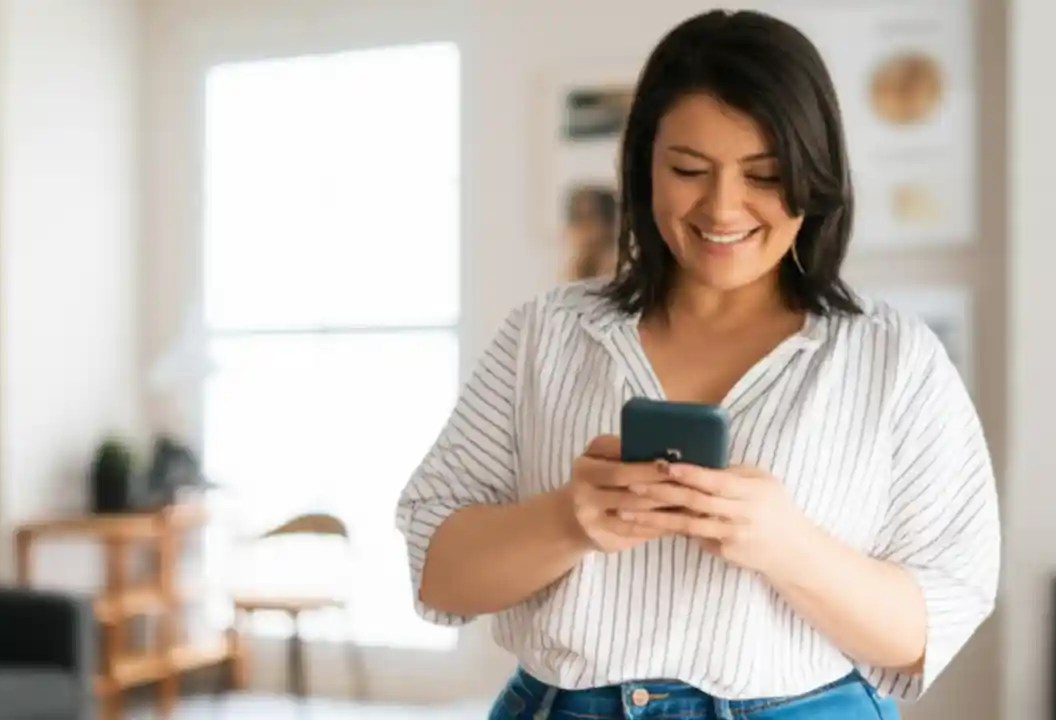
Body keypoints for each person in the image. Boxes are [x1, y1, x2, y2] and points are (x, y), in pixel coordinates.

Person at [395, 9, 999, 719]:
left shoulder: (894, 358)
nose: (722, 208)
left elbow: (927, 630)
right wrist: (567, 520)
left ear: (815, 176)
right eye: (688, 169)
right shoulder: (546, 334)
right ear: (643, 166)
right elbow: (437, 574)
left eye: (764, 174)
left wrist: (787, 546)